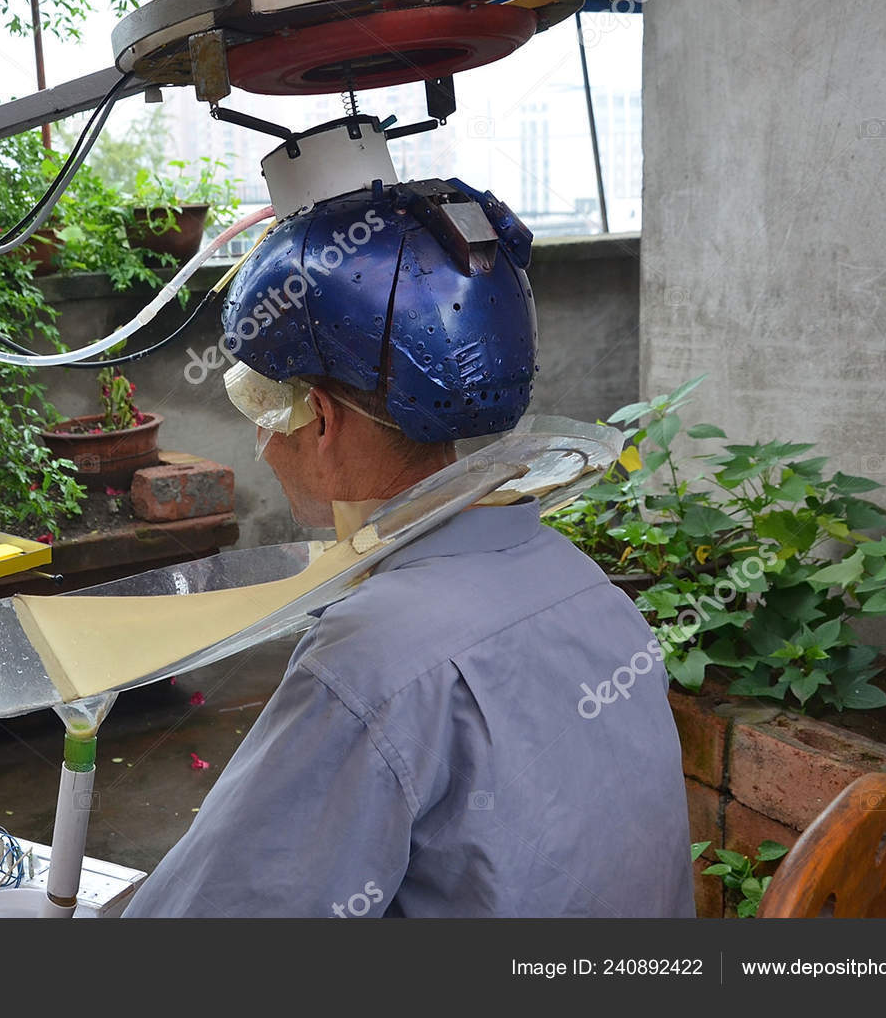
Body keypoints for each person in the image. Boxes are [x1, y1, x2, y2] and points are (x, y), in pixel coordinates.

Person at [122, 177, 694, 918]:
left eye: (265, 408)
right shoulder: (586, 586)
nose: (262, 445)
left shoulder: (367, 665)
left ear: (322, 421)